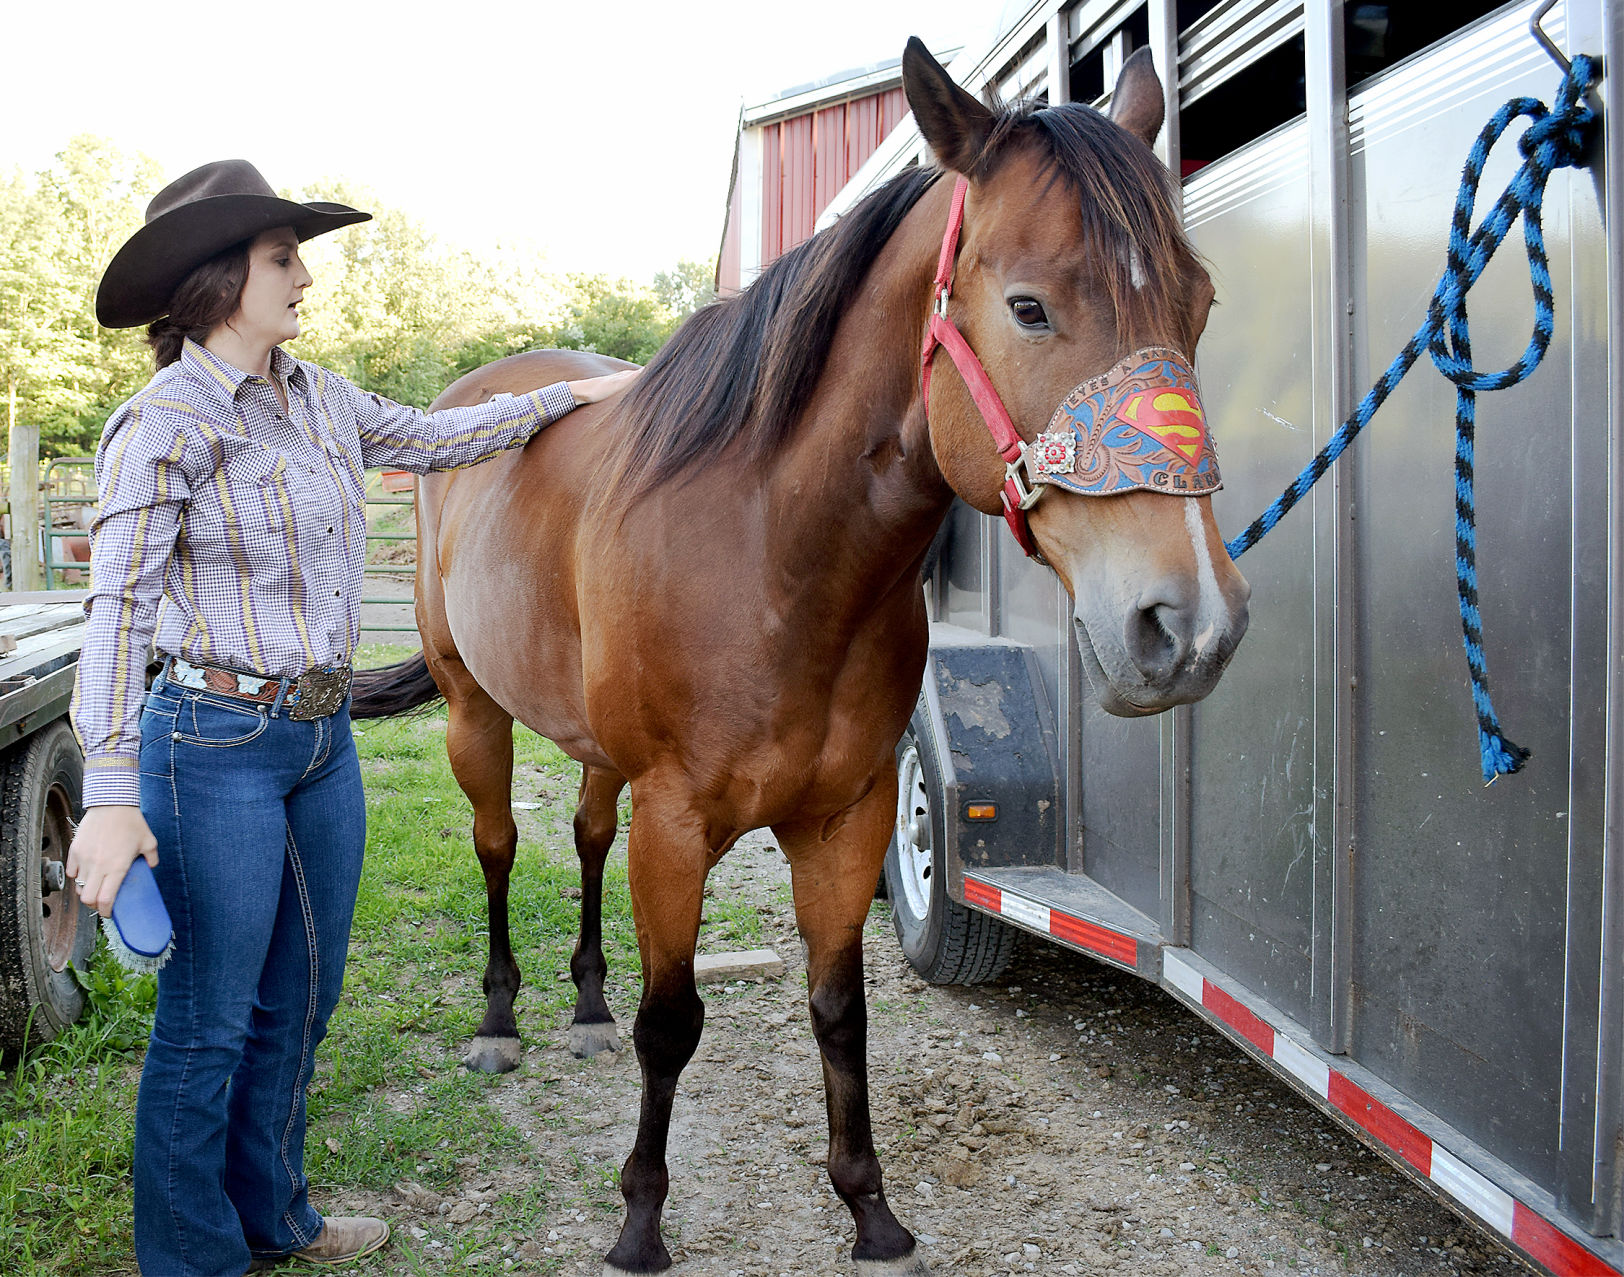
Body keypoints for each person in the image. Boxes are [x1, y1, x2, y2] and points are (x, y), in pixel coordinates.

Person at [65, 159, 636, 1277]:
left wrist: (575, 395)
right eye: (285, 258)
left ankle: (275, 1213)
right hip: (209, 742)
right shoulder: (165, 423)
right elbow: (117, 606)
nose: (306, 279)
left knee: (304, 994)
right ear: (217, 276)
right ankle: (194, 1257)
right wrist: (110, 790)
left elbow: (433, 435)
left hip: (321, 742)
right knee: (210, 1015)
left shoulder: (318, 395)